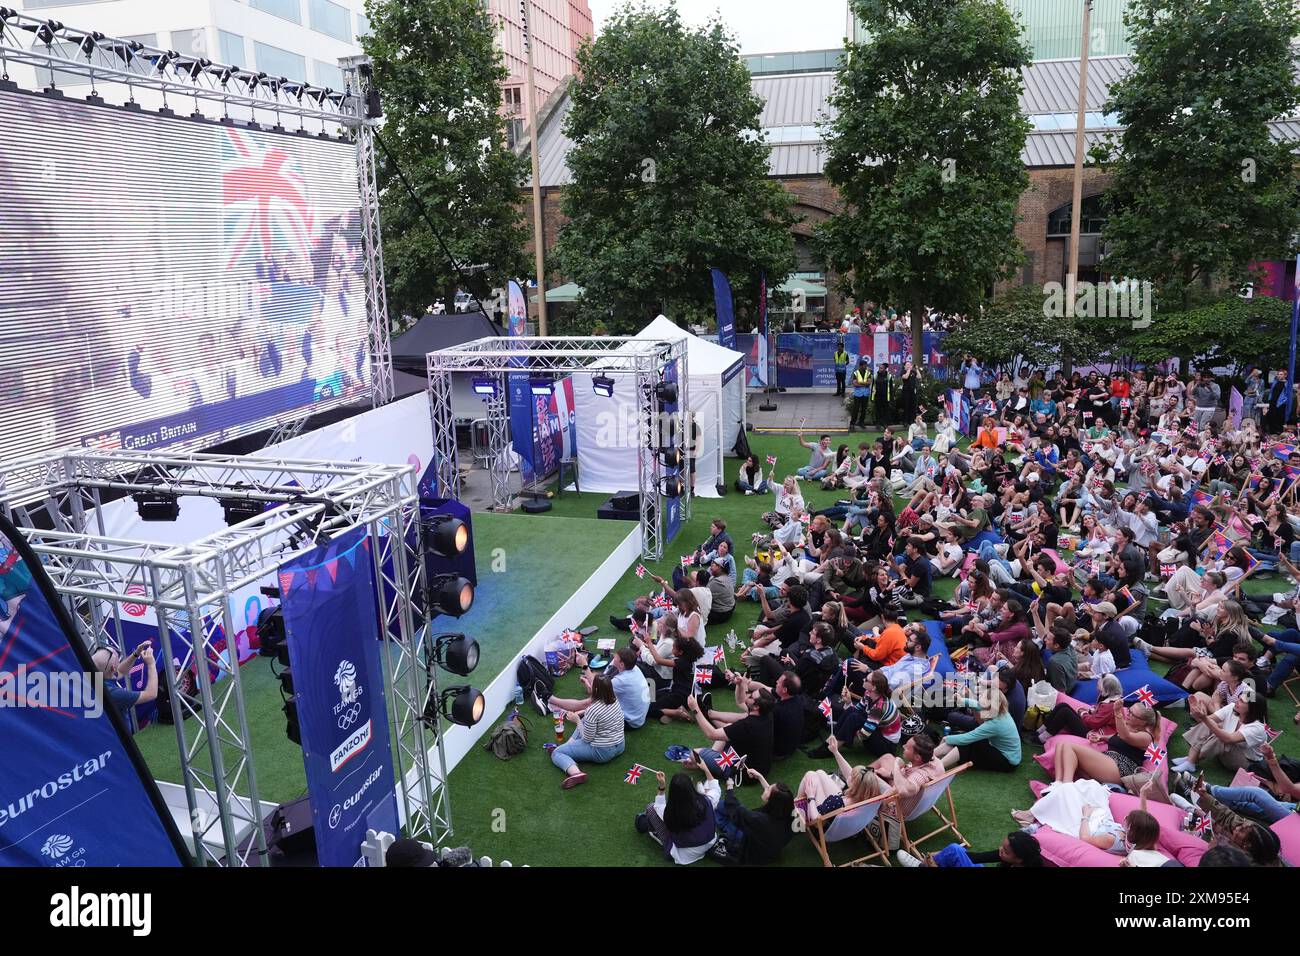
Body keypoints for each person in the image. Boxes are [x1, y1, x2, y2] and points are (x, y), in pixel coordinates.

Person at [549, 673, 626, 790]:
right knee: (585, 720)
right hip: (620, 745)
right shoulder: (614, 699)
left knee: (557, 753)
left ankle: (575, 773)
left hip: (602, 752)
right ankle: (569, 746)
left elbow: (587, 738)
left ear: (595, 690)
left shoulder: (593, 710)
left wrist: (577, 720)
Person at [1050, 702, 1158, 785]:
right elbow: (1118, 738)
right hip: (1109, 762)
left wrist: (1117, 713)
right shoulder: (1128, 727)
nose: (1128, 714)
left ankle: (1066, 786)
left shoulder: (1146, 737)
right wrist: (1101, 737)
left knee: (1069, 746)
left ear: (1143, 722)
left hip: (1119, 769)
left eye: (1132, 714)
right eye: (1129, 711)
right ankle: (1057, 783)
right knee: (1061, 745)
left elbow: (1125, 736)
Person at [549, 647, 650, 730]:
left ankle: (550, 699)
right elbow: (601, 679)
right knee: (597, 699)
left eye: (616, 657)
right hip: (637, 716)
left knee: (590, 704)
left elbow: (596, 687)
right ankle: (578, 711)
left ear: (622, 664)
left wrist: (584, 665)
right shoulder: (633, 668)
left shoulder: (622, 680)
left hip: (630, 722)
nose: (614, 656)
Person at [686, 686, 775, 779]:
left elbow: (711, 734)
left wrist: (695, 709)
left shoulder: (746, 725)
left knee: (694, 753)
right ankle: (710, 761)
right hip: (759, 766)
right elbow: (739, 710)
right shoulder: (767, 714)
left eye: (751, 696)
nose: (748, 695)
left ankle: (711, 766)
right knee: (728, 726)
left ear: (756, 707)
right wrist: (741, 684)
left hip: (742, 772)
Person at [711, 769, 795, 865]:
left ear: (772, 800)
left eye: (768, 789)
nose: (766, 787)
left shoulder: (759, 819)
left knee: (725, 819)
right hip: (768, 847)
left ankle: (710, 806)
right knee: (723, 807)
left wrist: (729, 786)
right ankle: (713, 805)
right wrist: (760, 777)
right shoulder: (788, 812)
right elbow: (775, 795)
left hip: (753, 851)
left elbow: (733, 806)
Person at [637, 768, 721, 864]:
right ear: (690, 787)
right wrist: (706, 768)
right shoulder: (707, 800)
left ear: (672, 792)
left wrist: (662, 786)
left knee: (650, 808)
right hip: (710, 842)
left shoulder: (670, 812)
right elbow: (716, 789)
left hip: (684, 853)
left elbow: (657, 806)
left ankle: (654, 832)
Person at [795, 735, 885, 821]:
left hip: (824, 821)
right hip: (843, 809)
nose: (849, 775)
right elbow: (854, 777)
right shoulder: (867, 797)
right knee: (820, 773)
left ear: (855, 787)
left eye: (851, 776)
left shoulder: (835, 802)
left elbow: (816, 818)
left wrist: (811, 797)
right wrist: (835, 751)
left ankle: (798, 811)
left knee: (810, 775)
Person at [1173, 695, 1270, 774]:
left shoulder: (1257, 728)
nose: (1237, 701)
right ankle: (1191, 760)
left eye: (1242, 701)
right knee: (1210, 724)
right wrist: (1197, 712)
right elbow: (1206, 721)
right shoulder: (1232, 707)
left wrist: (1205, 718)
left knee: (1221, 736)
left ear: (1252, 708)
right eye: (1239, 698)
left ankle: (1191, 760)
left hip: (1245, 762)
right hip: (1226, 752)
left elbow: (1228, 739)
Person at [934, 690, 1021, 772]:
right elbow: (976, 704)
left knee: (965, 744)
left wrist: (947, 738)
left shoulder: (995, 724)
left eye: (982, 697)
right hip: (1000, 750)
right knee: (962, 740)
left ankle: (937, 769)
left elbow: (967, 738)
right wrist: (961, 700)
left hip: (1008, 761)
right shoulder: (999, 710)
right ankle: (930, 756)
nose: (980, 696)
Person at [896, 830, 1043, 868]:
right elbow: (975, 857)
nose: (999, 850)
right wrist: (940, 854)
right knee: (956, 850)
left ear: (1019, 858)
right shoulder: (1010, 857)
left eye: (1005, 851)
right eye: (1002, 846)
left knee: (954, 852)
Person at [90, 642, 158, 717]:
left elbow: (120, 671)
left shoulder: (95, 677)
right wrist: (151, 664)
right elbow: (151, 694)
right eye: (116, 658)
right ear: (113, 668)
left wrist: (136, 653)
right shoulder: (112, 693)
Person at [849, 358, 872, 431]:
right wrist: (864, 384)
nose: (866, 367)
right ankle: (852, 423)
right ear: (860, 366)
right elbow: (855, 384)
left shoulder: (868, 373)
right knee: (855, 409)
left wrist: (860, 383)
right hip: (858, 394)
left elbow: (869, 383)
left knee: (864, 409)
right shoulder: (856, 373)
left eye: (866, 365)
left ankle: (861, 422)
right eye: (865, 365)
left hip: (865, 394)